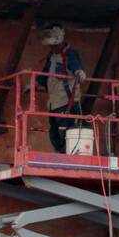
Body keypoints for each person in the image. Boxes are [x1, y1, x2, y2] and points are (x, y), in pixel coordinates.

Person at [37, 24, 87, 152]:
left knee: (67, 132)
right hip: (54, 104)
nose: (52, 47)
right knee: (55, 133)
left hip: (67, 102)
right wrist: (32, 84)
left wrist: (79, 72)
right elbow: (44, 74)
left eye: (54, 45)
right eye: (51, 45)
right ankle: (60, 153)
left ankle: (66, 155)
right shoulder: (51, 57)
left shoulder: (70, 54)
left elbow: (76, 67)